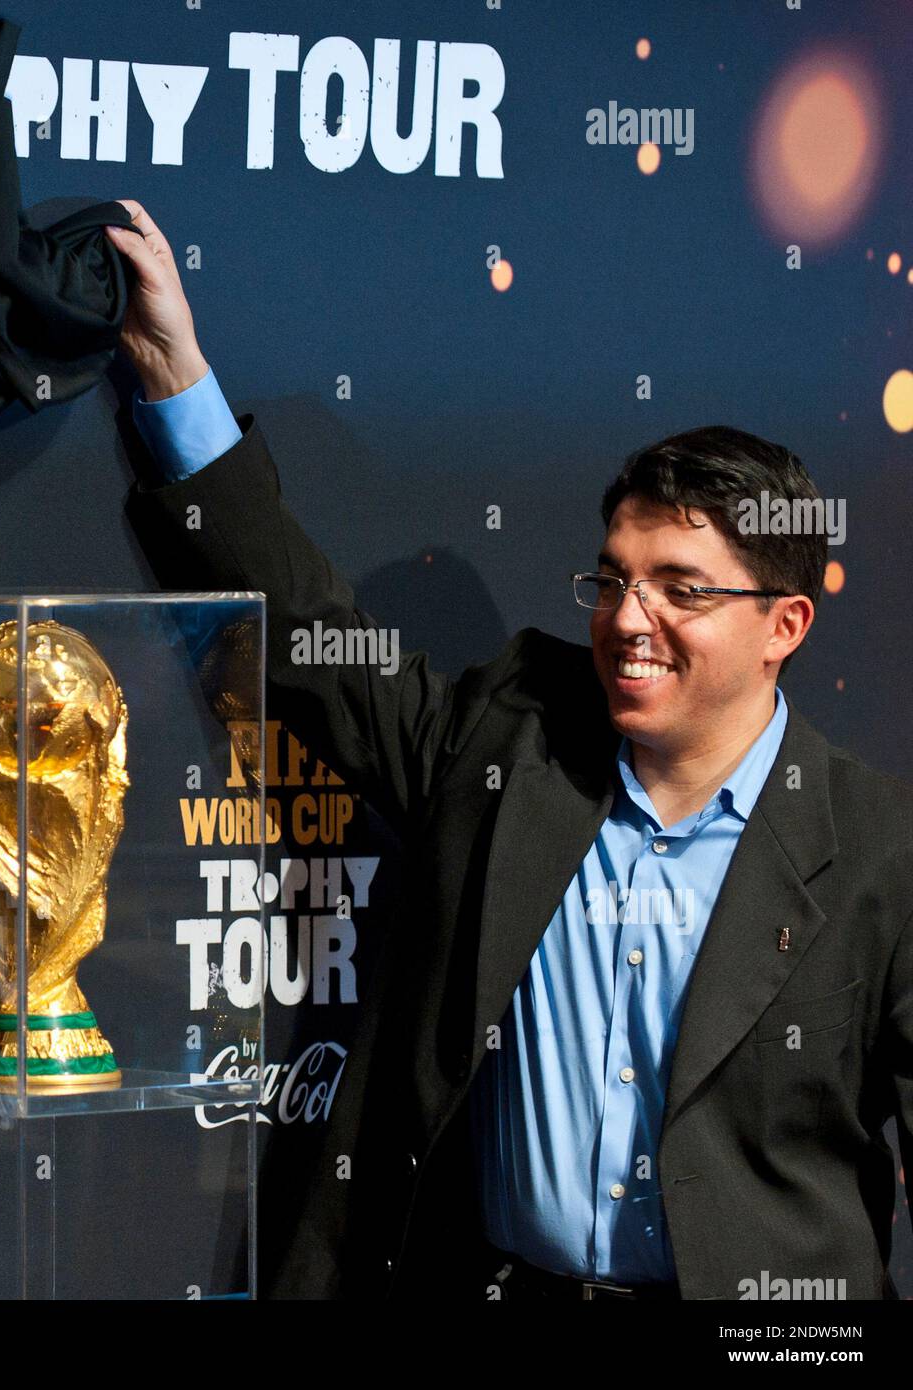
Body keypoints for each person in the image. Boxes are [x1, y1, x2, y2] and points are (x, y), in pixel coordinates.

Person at [104, 200, 913, 1301]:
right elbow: (308, 640)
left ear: (782, 626)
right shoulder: (512, 737)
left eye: (679, 589)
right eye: (614, 577)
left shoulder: (880, 850)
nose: (629, 619)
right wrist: (170, 370)